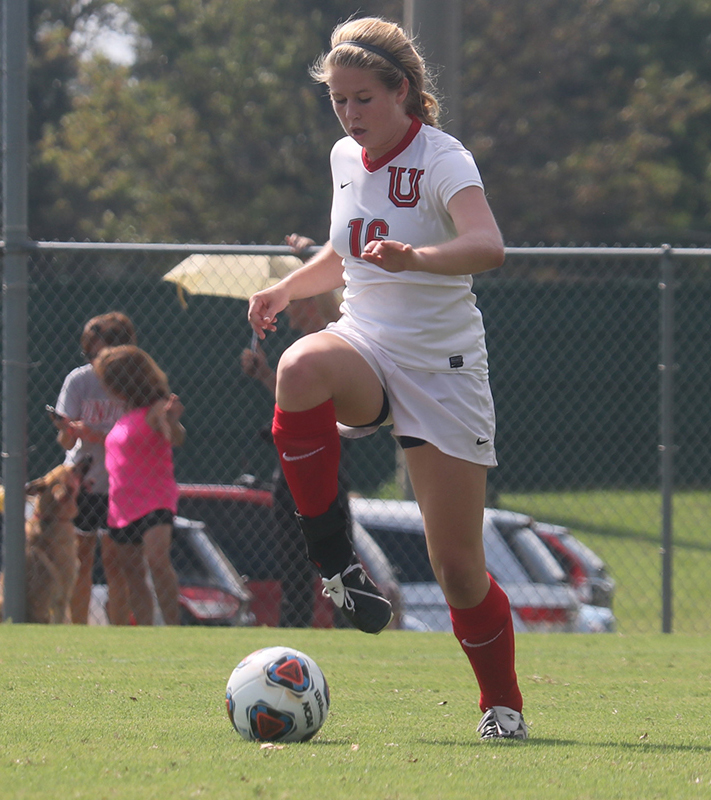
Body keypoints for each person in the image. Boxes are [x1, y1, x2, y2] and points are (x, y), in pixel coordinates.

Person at [245, 17, 526, 740]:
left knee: (458, 569)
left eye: (362, 98)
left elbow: (488, 245)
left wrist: (418, 259)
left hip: (442, 367)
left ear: (402, 90)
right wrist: (286, 288)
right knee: (299, 367)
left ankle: (502, 707)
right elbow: (346, 252)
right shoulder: (345, 156)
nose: (349, 113)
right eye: (338, 100)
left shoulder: (443, 157)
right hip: (365, 342)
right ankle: (335, 561)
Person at [239, 235, 348, 628]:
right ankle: (296, 624)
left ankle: (348, 619)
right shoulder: (300, 346)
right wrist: (265, 374)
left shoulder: (335, 336)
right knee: (292, 552)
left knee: (335, 545)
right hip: (291, 459)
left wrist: (308, 257)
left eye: (298, 300)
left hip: (328, 457)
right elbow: (296, 403)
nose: (289, 310)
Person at [95, 344, 186, 626]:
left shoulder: (157, 408)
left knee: (157, 561)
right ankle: (146, 633)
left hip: (155, 500)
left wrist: (172, 422)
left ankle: (174, 629)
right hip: (122, 506)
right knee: (132, 572)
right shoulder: (124, 415)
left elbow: (175, 436)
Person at [52, 311, 135, 624]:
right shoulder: (79, 380)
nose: (96, 361)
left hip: (119, 483)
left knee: (116, 561)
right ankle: (78, 630)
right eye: (91, 354)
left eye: (102, 353)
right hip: (84, 482)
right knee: (80, 559)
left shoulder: (134, 384)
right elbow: (65, 442)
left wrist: (96, 434)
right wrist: (68, 431)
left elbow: (136, 437)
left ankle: (119, 632)